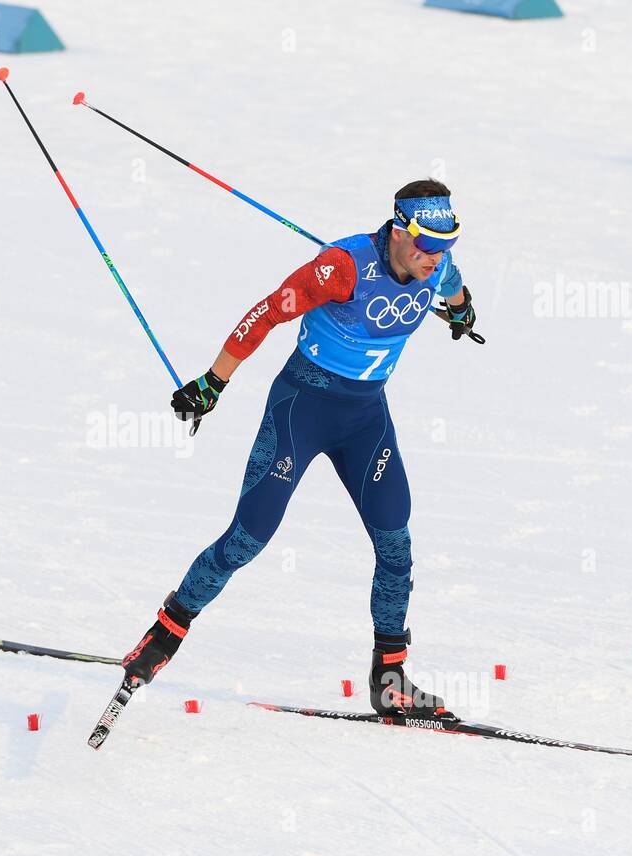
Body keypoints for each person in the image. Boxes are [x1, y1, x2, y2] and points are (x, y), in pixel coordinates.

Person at [122, 179, 478, 717]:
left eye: (447, 243)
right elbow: (264, 313)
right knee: (249, 536)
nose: (438, 255)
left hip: (365, 419)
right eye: (428, 243)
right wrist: (212, 383)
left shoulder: (438, 265)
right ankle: (163, 636)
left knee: (396, 544)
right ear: (401, 232)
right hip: (302, 408)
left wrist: (462, 311)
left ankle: (391, 679)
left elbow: (453, 288)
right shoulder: (342, 267)